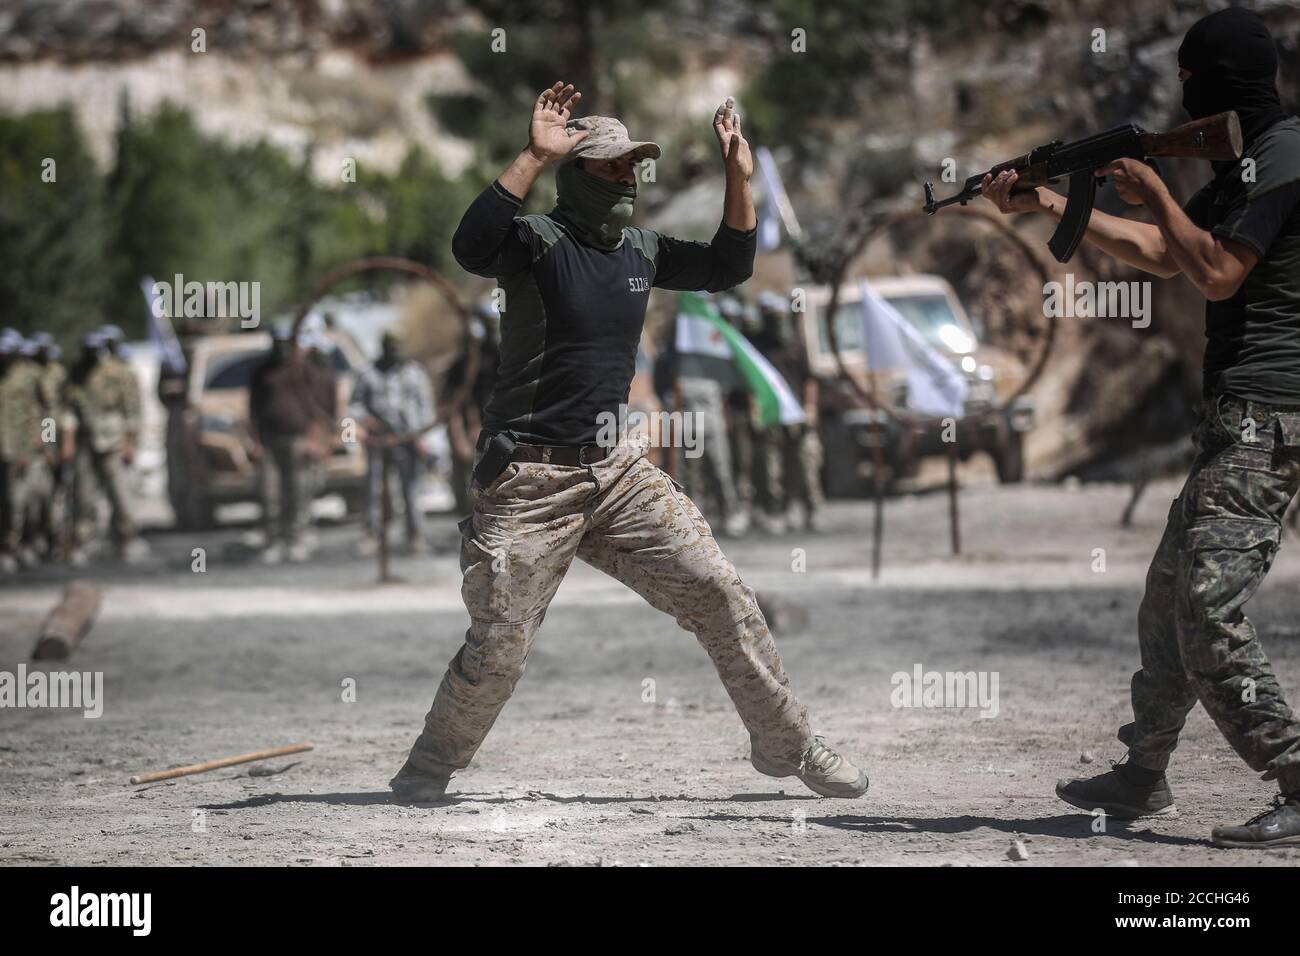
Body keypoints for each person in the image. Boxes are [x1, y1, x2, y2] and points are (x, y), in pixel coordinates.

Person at [390, 81, 869, 803]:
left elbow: (728, 266)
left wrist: (739, 179)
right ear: (574, 175)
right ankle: (430, 766)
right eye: (609, 166)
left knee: (720, 593)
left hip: (616, 474)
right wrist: (530, 155)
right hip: (529, 482)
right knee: (500, 650)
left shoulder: (642, 250)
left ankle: (788, 744)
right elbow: (471, 245)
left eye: (630, 168)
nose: (624, 178)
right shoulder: (536, 242)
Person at [982, 7, 1300, 847]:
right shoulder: (1242, 168)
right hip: (1236, 416)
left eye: (1191, 83)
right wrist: (1053, 200)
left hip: (1272, 418)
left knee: (1204, 608)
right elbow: (1167, 255)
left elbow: (1220, 274)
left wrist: (1156, 187)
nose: (1183, 98)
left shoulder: (1285, 155)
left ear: (1215, 82)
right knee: (1166, 603)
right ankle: (1143, 774)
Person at [66, 330, 147, 563]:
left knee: (121, 493)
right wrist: (65, 443)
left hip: (113, 440)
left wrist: (131, 443)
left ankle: (126, 538)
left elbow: (133, 410)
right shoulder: (76, 374)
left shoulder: (118, 372)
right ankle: (84, 540)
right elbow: (66, 412)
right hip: (86, 440)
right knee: (84, 494)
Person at [351, 328, 435, 555]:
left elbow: (425, 407)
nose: (394, 351)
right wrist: (366, 421)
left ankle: (415, 535)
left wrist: (422, 436)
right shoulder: (368, 373)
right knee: (375, 487)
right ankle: (373, 534)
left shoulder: (414, 373)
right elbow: (356, 404)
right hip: (379, 439)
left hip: (408, 439)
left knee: (412, 489)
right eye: (391, 346)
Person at [249, 328, 324, 564]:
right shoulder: (263, 372)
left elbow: (318, 408)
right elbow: (253, 410)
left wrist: (315, 439)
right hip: (270, 441)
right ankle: (273, 540)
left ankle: (296, 539)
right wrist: (256, 441)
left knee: (298, 492)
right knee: (270, 493)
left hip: (298, 439)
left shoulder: (303, 370)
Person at [754, 291, 824, 533]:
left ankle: (811, 509)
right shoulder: (758, 347)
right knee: (772, 467)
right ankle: (779, 510)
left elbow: (809, 380)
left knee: (805, 463)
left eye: (778, 315)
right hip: (772, 416)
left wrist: (811, 407)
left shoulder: (796, 344)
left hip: (798, 416)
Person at [0, 330, 43, 572]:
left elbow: (46, 411)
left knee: (19, 501)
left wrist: (44, 443)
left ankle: (16, 544)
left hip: (21, 449)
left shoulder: (30, 376)